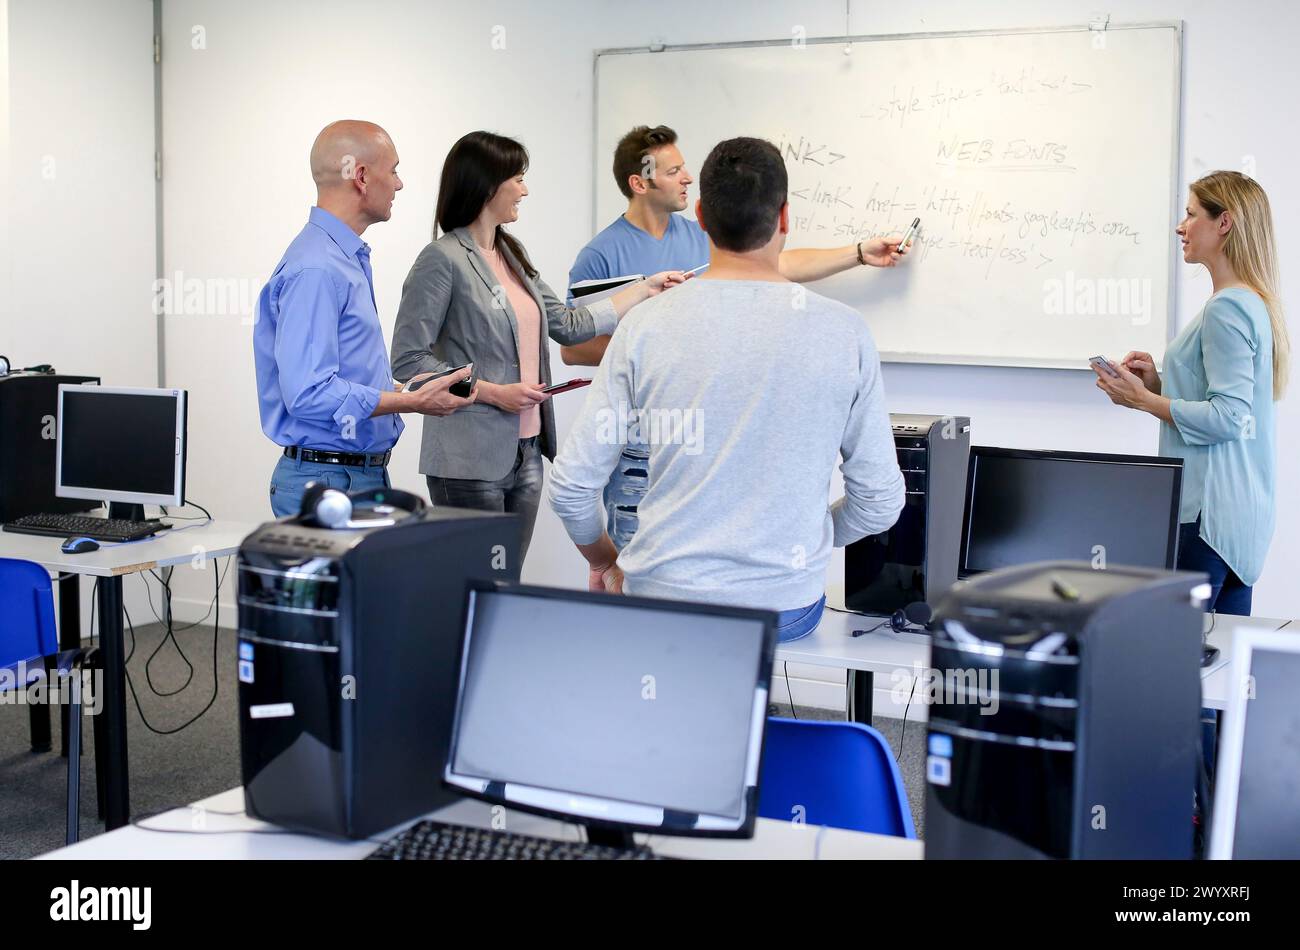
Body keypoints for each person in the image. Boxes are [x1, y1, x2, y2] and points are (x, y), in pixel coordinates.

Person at [548, 136, 906, 643]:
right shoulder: (845, 333)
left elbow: (571, 488)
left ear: (701, 216)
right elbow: (880, 503)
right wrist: (809, 538)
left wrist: (607, 561)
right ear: (784, 218)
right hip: (784, 608)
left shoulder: (645, 325)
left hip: (663, 596)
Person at [390, 131, 684, 560]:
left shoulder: (512, 253)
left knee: (506, 583)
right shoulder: (442, 259)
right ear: (488, 185)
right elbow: (408, 361)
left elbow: (568, 325)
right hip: (468, 460)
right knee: (477, 584)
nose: (524, 190)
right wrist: (492, 393)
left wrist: (645, 287)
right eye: (518, 178)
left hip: (526, 452)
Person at [253, 120, 475, 518]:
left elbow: (339, 377)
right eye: (393, 170)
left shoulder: (342, 258)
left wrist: (403, 389)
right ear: (360, 176)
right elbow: (308, 392)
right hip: (329, 483)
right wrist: (409, 402)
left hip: (352, 478)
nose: (399, 184)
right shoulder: (318, 269)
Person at [1093, 171, 1289, 615]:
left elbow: (1227, 418)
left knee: (1173, 670)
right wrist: (1159, 384)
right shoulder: (1249, 303)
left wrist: (1143, 400)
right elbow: (1224, 400)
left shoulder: (1227, 308)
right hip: (1238, 523)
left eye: (1191, 214)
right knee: (1214, 672)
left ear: (1225, 223)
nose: (1180, 227)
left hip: (1207, 520)